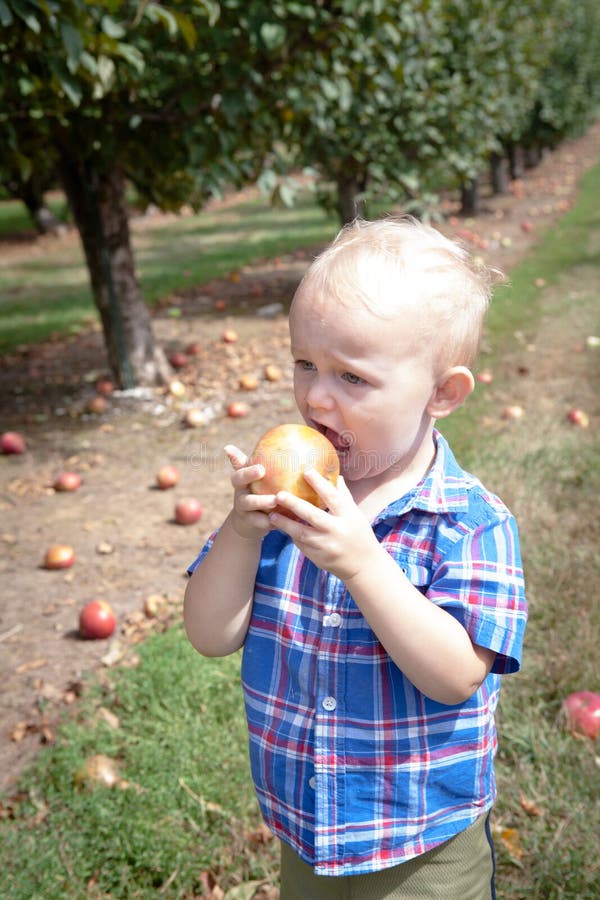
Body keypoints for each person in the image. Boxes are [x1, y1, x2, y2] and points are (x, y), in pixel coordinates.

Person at [184, 218, 527, 899]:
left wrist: (366, 567)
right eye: (305, 364)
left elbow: (458, 676)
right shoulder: (287, 508)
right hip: (308, 832)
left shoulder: (468, 525)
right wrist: (243, 532)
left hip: (425, 848)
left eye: (352, 377)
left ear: (442, 394)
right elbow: (208, 634)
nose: (315, 397)